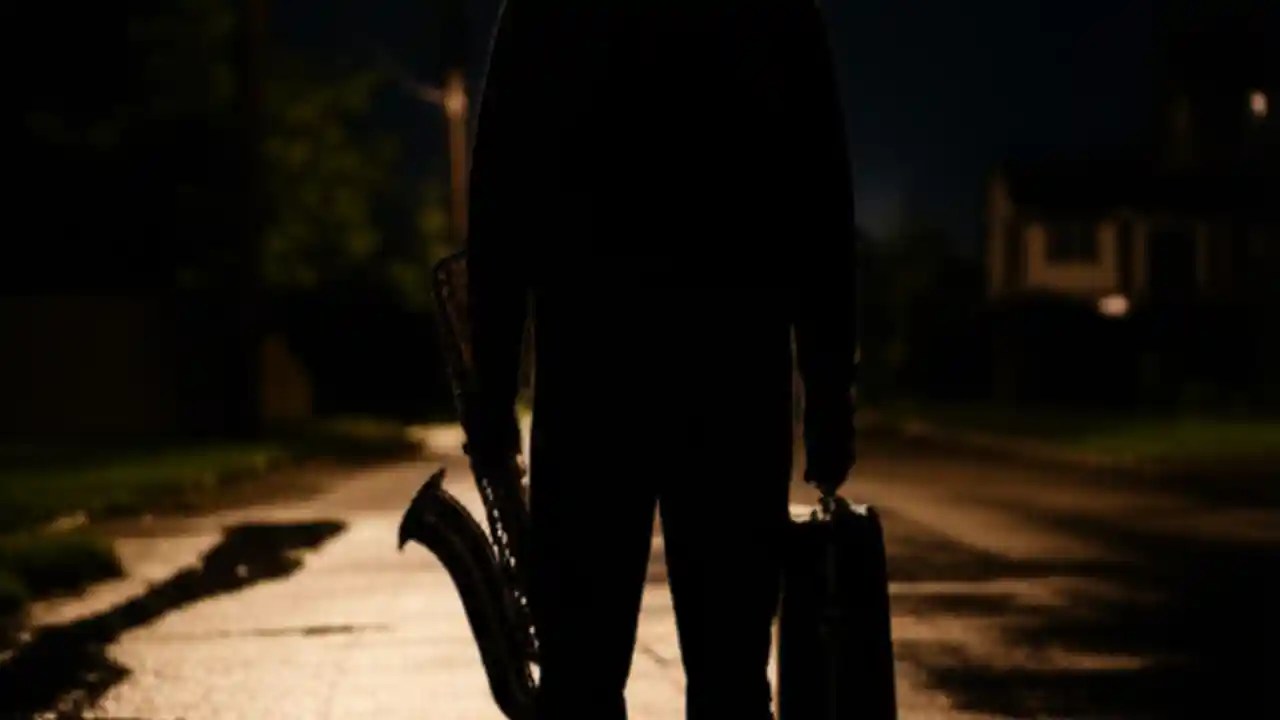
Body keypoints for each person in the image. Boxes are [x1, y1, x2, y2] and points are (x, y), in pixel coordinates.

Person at [463, 1, 857, 717]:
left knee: (579, 680)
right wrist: (829, 393)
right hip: (734, 374)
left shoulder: (547, 15)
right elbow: (821, 202)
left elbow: (499, 201)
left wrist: (488, 398)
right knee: (732, 679)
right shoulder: (776, 14)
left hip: (591, 378)